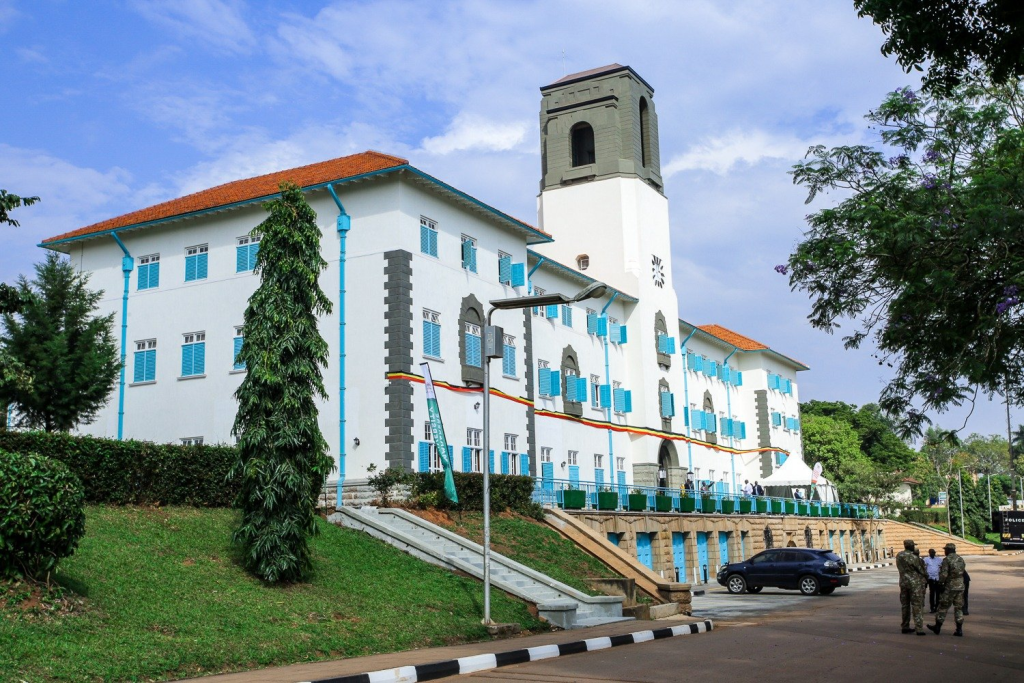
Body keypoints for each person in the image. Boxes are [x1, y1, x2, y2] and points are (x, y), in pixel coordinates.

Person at [927, 543, 967, 636]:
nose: (945, 551)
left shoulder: (947, 560)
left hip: (950, 586)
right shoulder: (960, 559)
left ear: (948, 550)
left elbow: (944, 574)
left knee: (943, 606)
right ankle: (959, 629)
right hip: (960, 586)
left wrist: (940, 583)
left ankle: (937, 626)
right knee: (958, 608)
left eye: (945, 550)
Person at [896, 539, 928, 635]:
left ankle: (905, 626)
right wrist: (926, 577)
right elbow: (921, 570)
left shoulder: (899, 555)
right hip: (914, 583)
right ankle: (919, 628)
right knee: (917, 605)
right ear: (910, 546)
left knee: (905, 606)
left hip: (903, 582)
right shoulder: (913, 557)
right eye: (913, 545)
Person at [923, 548, 943, 612]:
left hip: (937, 578)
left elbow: (942, 567)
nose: (933, 554)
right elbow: (924, 568)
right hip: (930, 578)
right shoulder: (926, 559)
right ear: (929, 553)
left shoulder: (939, 559)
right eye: (931, 553)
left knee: (938, 593)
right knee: (932, 593)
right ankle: (932, 607)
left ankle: (937, 606)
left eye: (934, 553)